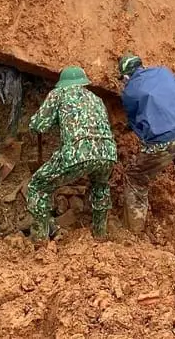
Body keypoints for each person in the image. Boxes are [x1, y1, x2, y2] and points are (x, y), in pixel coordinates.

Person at [26, 66, 117, 241]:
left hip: (78, 152)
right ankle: (100, 234)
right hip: (107, 153)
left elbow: (38, 125)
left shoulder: (58, 94)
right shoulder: (96, 99)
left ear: (63, 83)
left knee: (37, 186)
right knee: (100, 186)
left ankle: (39, 239)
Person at [117, 53, 175, 237]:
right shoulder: (163, 72)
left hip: (164, 141)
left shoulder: (130, 90)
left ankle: (134, 231)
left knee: (135, 178)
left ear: (125, 76)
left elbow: (133, 121)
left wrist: (147, 140)